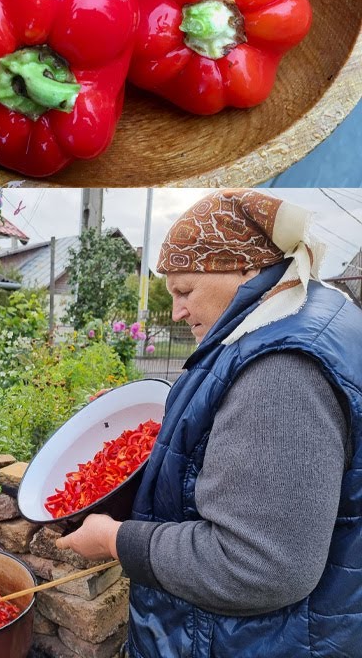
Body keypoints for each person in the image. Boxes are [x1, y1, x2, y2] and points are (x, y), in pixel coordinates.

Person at [55, 189, 362, 657]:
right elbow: (238, 414)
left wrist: (117, 541)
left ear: (243, 268)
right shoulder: (299, 311)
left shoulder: (283, 372)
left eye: (184, 290)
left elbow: (258, 566)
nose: (177, 311)